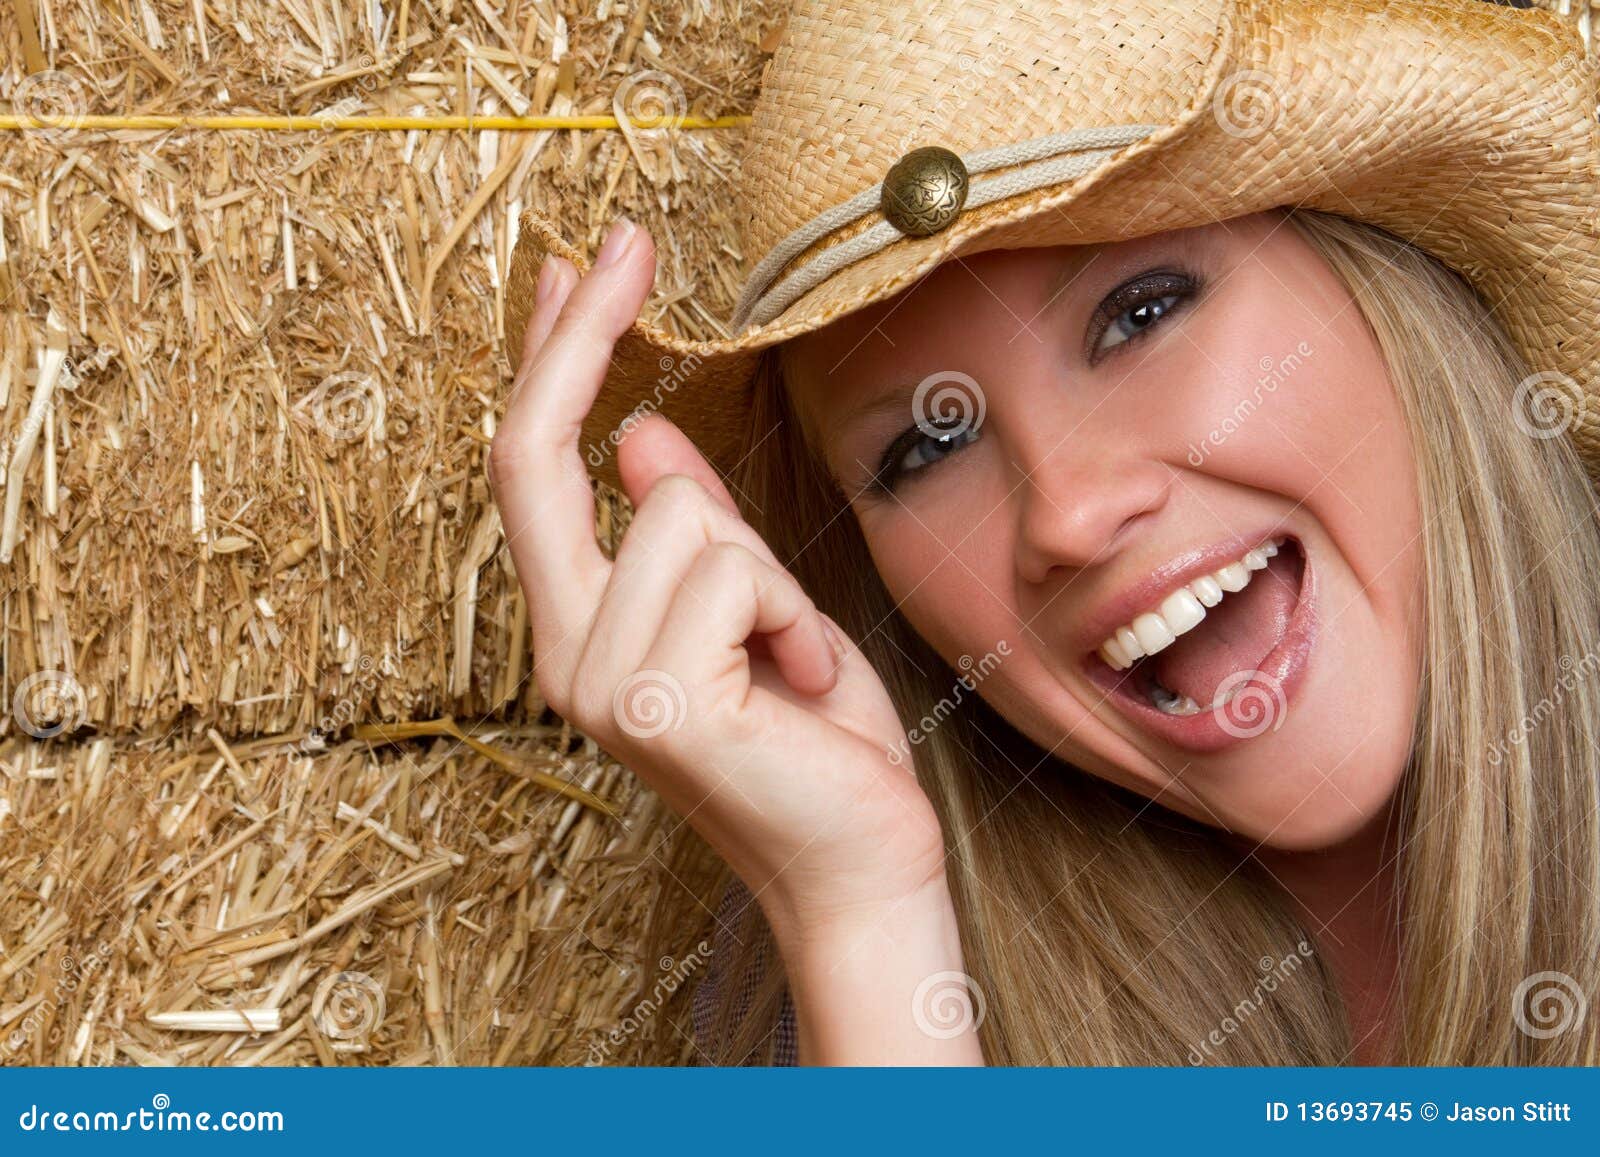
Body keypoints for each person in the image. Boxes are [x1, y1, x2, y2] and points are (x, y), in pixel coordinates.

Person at [491, 0, 1600, 1065]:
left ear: (1393, 287)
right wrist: (861, 914)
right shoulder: (859, 991)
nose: (1065, 513)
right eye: (922, 450)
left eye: (1140, 313)